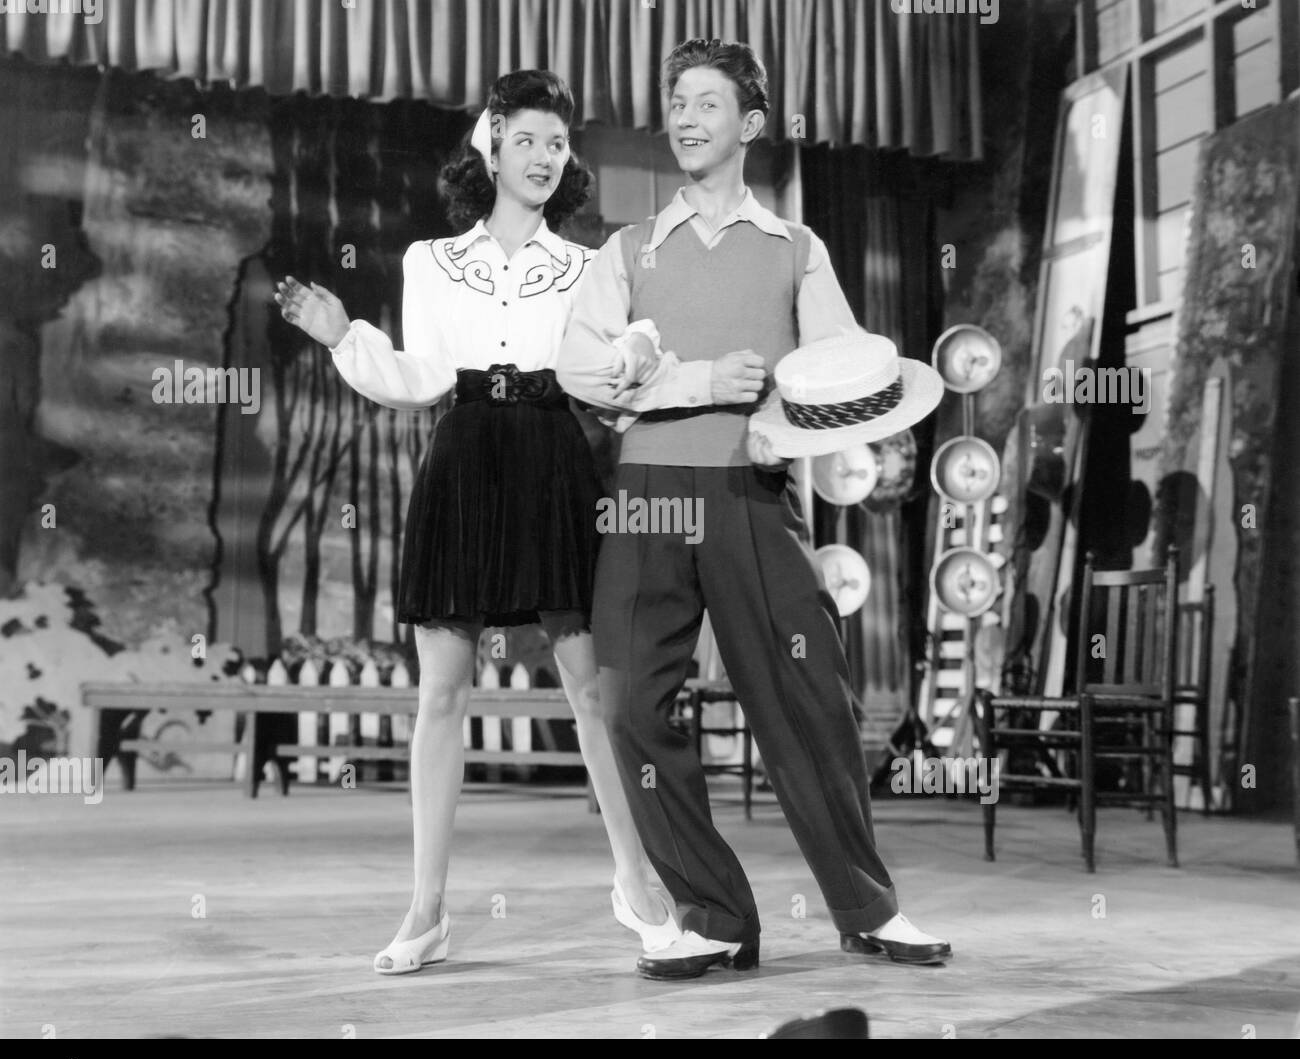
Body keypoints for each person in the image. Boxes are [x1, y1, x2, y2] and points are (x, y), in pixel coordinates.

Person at [557, 39, 953, 980]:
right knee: (630, 707)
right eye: (676, 103)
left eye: (705, 103)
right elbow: (579, 367)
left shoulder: (798, 250)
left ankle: (868, 906)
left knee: (808, 703)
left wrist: (786, 417)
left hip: (750, 494)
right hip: (645, 498)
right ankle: (715, 913)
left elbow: (840, 374)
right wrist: (694, 379)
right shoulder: (625, 251)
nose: (685, 119)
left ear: (751, 126)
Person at [273, 69, 679, 974]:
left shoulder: (587, 265)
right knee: (442, 692)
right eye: (526, 138)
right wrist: (348, 337)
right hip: (462, 459)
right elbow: (418, 378)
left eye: (557, 142)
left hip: (550, 460)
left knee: (588, 690)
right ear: (490, 145)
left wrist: (643, 348)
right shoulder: (429, 261)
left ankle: (635, 881)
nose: (543, 156)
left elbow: (621, 361)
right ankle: (425, 909)